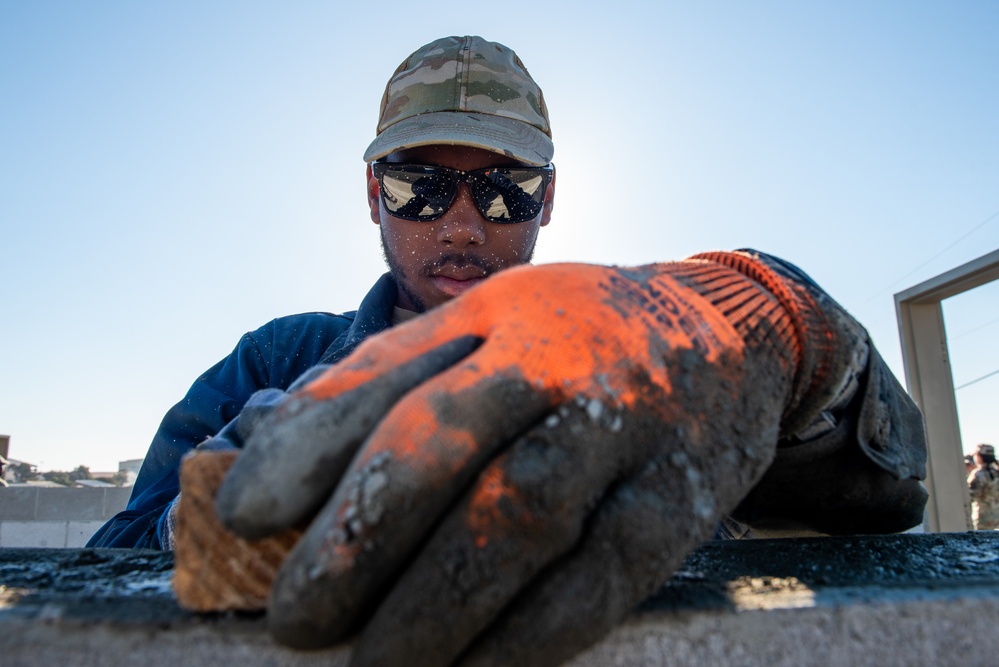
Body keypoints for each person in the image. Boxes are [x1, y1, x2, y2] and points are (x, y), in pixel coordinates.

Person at [89, 36, 928, 667]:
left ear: (547, 199)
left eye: (503, 189)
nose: (460, 225)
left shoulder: (644, 360)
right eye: (419, 185)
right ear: (372, 196)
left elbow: (893, 488)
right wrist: (201, 521)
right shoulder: (271, 362)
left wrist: (772, 318)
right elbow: (103, 568)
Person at [968, 443, 999, 530]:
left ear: (979, 457)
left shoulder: (978, 474)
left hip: (983, 519)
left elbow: (970, 496)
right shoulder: (997, 472)